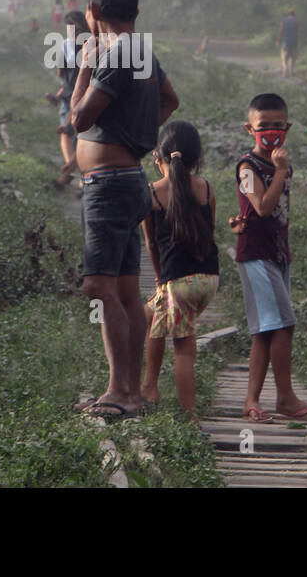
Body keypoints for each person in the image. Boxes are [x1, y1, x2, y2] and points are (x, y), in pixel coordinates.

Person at [69, 0, 179, 420]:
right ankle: (130, 390)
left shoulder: (114, 54)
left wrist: (84, 65)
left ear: (92, 13)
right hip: (126, 180)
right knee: (128, 290)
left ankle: (121, 390)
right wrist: (137, 131)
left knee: (99, 286)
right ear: (135, 12)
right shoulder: (143, 53)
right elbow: (171, 99)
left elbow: (78, 118)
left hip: (110, 184)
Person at [228, 93, 307, 423]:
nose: (272, 132)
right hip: (256, 254)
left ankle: (251, 400)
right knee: (283, 325)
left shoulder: (281, 164)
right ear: (250, 128)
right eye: (264, 126)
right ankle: (285, 398)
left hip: (278, 254)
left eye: (278, 126)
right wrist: (279, 171)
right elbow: (262, 207)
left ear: (288, 127)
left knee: (265, 331)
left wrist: (281, 169)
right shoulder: (247, 166)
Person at [138, 121, 219, 424]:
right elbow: (209, 232)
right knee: (152, 314)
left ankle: (191, 419)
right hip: (208, 279)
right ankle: (148, 386)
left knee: (184, 350)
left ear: (158, 158)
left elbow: (150, 244)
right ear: (197, 160)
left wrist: (161, 277)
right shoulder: (207, 189)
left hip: (179, 282)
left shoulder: (153, 194)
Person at [46, 9, 90, 188]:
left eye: (74, 27)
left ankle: (74, 172)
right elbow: (63, 75)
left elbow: (62, 73)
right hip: (70, 96)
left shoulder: (88, 46)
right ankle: (75, 172)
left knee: (76, 136)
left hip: (82, 98)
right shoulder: (84, 44)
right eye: (70, 27)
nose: (73, 30)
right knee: (72, 136)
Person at [278, 8, 299, 78]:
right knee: (293, 57)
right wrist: (302, 41)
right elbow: (300, 32)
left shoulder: (284, 20)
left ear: (288, 14)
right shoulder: (297, 21)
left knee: (284, 57)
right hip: (294, 41)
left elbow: (281, 31)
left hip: (285, 41)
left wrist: (278, 40)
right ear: (294, 14)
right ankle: (292, 71)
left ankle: (285, 70)